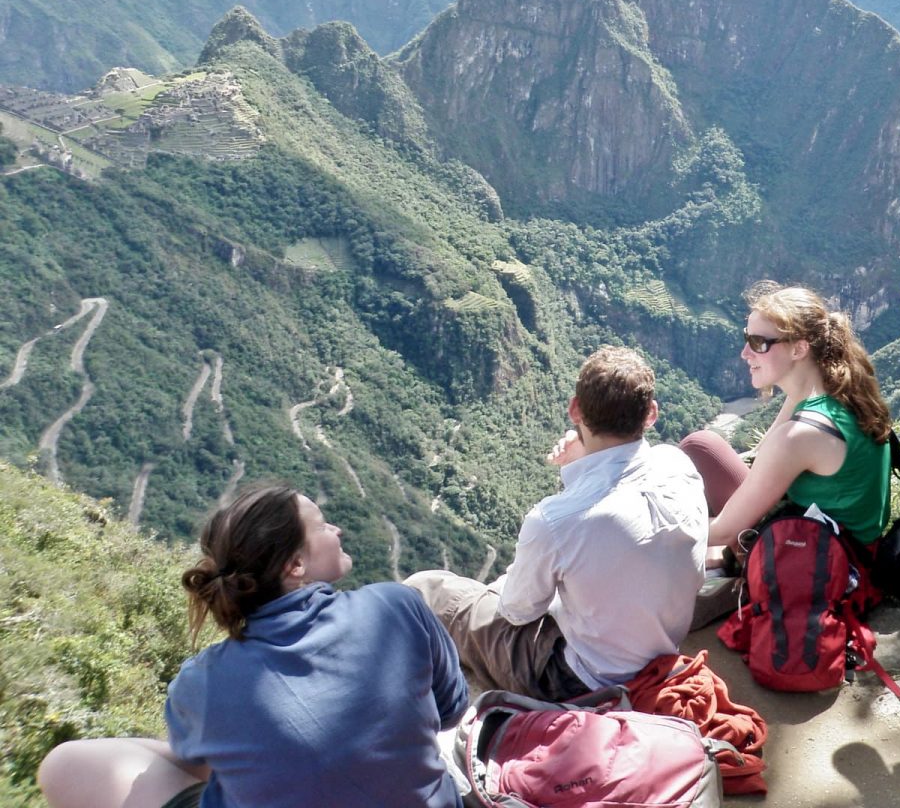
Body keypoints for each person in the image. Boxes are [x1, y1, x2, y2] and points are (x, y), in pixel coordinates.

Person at [37, 485, 468, 808]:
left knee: (68, 762)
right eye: (321, 525)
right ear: (295, 565)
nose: (335, 529)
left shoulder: (201, 682)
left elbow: (193, 757)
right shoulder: (397, 606)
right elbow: (450, 709)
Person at [407, 345, 708, 699]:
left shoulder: (555, 520)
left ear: (574, 409)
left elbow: (518, 613)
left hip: (580, 679)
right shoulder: (678, 466)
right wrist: (581, 464)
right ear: (651, 414)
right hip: (660, 654)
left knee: (427, 589)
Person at [680, 284, 892, 555]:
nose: (745, 353)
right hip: (850, 551)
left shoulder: (800, 435)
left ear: (799, 349)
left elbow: (725, 530)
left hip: (814, 567)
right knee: (702, 445)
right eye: (747, 338)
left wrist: (649, 531)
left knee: (700, 447)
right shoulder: (844, 395)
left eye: (758, 343)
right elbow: (761, 456)